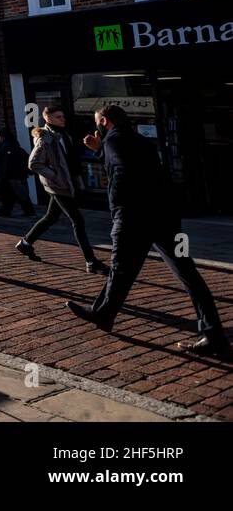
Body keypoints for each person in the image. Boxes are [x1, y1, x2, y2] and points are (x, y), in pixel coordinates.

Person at [66, 106, 230, 358]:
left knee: (121, 267)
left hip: (134, 219)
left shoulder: (113, 140)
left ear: (104, 121)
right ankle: (213, 334)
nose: (96, 127)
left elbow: (123, 172)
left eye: (97, 122)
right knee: (186, 273)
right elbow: (146, 172)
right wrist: (101, 150)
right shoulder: (140, 141)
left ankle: (104, 313)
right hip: (164, 218)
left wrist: (119, 210)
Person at [16, 106, 108, 273]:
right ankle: (91, 261)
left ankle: (25, 243)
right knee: (78, 221)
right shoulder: (46, 138)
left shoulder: (63, 134)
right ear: (48, 119)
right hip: (59, 186)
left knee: (51, 217)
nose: (62, 119)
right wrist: (55, 177)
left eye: (63, 116)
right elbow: (34, 163)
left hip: (67, 183)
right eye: (58, 117)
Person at [0, 126, 35, 218]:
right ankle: (7, 211)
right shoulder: (15, 146)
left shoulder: (6, 147)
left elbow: (5, 162)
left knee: (14, 194)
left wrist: (3, 175)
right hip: (17, 175)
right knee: (14, 194)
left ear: (2, 137)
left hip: (11, 176)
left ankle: (27, 211)